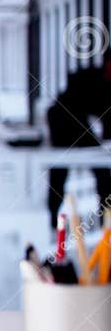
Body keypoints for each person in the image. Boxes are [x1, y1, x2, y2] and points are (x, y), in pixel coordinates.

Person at [46, 59, 111, 230]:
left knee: (101, 171)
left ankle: (106, 219)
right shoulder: (92, 77)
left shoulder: (100, 80)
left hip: (73, 120)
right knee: (60, 172)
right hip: (63, 120)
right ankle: (52, 219)